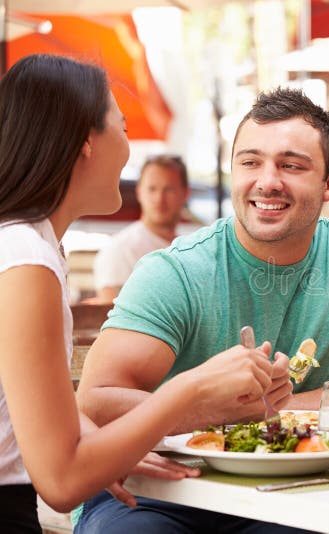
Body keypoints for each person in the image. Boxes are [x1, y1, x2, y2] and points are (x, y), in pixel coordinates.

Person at [74, 87, 329, 533]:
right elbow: (97, 401)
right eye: (250, 162)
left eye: (291, 165)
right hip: (156, 492)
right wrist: (220, 408)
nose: (267, 181)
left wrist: (271, 408)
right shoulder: (177, 270)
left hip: (290, 490)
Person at [0, 54, 283, 532]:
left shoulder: (24, 243)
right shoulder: (26, 257)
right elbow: (63, 481)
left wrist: (109, 442)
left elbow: (22, 406)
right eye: (123, 127)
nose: (129, 149)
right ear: (87, 141)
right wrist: (191, 387)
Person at [93, 155, 190, 303]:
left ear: (185, 194)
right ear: (139, 192)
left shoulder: (190, 248)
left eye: (169, 189)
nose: (160, 199)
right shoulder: (120, 249)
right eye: (152, 189)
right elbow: (111, 314)